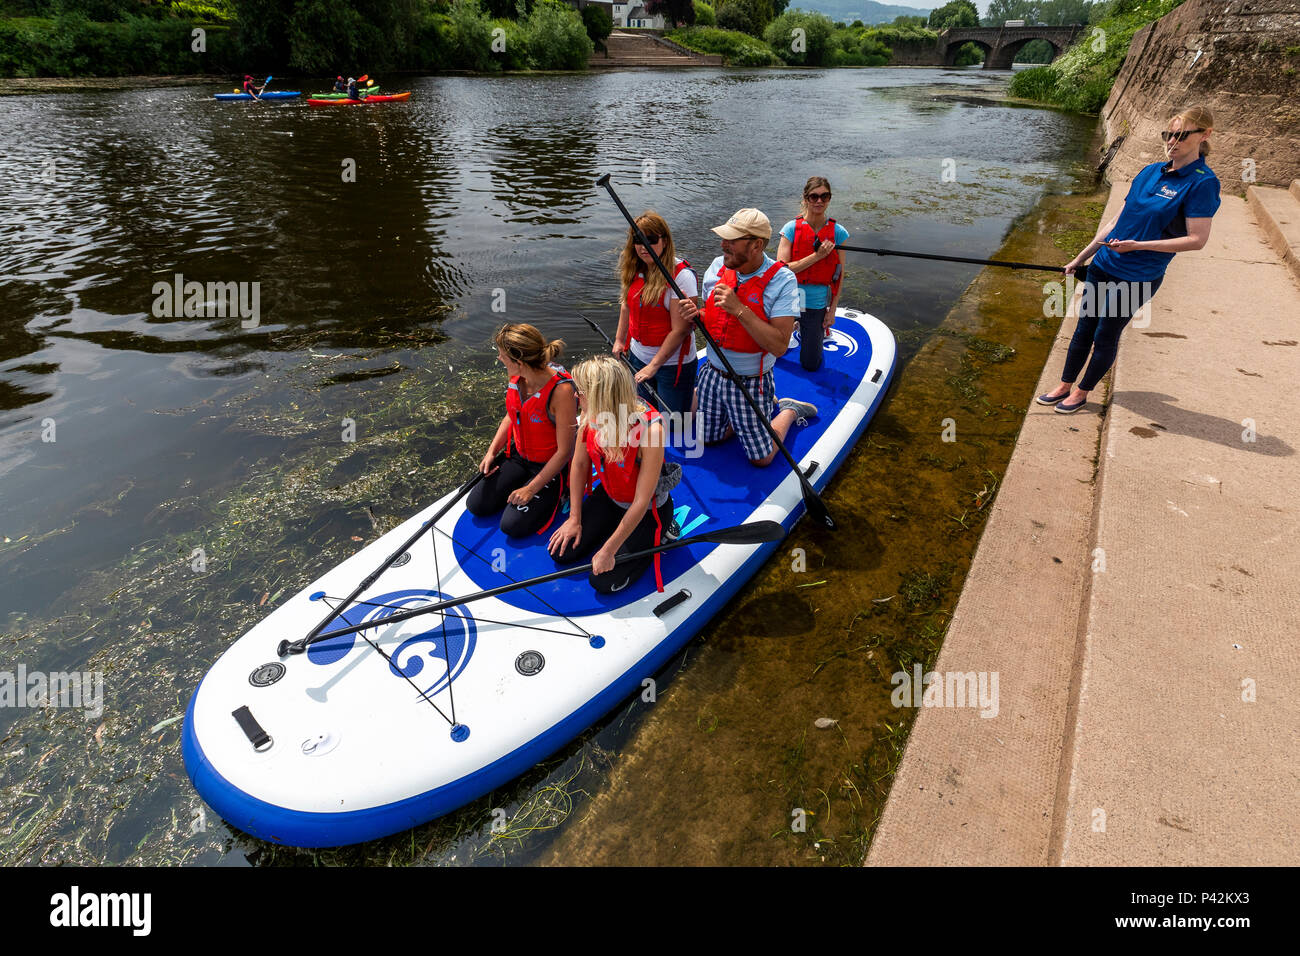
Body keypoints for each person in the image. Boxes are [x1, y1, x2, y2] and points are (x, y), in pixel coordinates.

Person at [1038, 106, 1221, 414]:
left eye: (1181, 135)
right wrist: (1081, 257)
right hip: (1103, 266)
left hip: (1138, 275)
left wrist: (1138, 246)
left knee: (1105, 333)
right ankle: (1064, 384)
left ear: (1205, 135)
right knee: (1084, 328)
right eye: (1168, 134)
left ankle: (1082, 392)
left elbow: (1197, 240)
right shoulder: (1149, 172)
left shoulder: (1203, 182)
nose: (1172, 142)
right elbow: (1116, 221)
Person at [679, 208, 818, 467]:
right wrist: (695, 314)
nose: (723, 245)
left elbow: (778, 345)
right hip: (712, 371)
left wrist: (739, 309)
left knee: (761, 459)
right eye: (724, 238)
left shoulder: (783, 281)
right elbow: (713, 318)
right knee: (707, 438)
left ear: (756, 245)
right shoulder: (718, 266)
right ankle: (752, 413)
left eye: (732, 240)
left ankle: (789, 410)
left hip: (751, 380)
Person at [548, 355, 679, 594]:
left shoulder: (651, 431)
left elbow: (641, 501)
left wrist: (608, 550)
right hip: (611, 497)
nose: (576, 396)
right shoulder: (591, 415)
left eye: (581, 391)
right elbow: (578, 466)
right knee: (563, 552)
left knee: (603, 581)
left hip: (647, 509)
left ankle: (662, 532)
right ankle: (615, 531)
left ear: (600, 395)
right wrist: (574, 518)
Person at [467, 323, 577, 537]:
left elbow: (565, 451)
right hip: (520, 456)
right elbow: (512, 414)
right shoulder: (517, 376)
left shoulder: (561, 391)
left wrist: (531, 489)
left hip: (550, 464)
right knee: (477, 505)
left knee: (512, 526)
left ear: (519, 362)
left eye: (502, 356)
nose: (499, 359)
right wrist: (491, 451)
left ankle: (561, 492)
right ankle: (520, 481)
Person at [612, 211, 698, 419]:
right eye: (638, 240)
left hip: (671, 364)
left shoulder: (682, 277)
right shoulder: (634, 269)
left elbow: (680, 330)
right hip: (638, 357)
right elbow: (626, 306)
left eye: (651, 240)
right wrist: (619, 340)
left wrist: (654, 366)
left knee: (674, 423)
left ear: (665, 241)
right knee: (645, 415)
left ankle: (692, 396)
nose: (644, 246)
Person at [776, 177, 850, 371]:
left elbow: (839, 274)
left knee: (810, 364)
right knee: (775, 351)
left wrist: (832, 310)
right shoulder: (791, 229)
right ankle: (794, 326)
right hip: (787, 298)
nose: (819, 201)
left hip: (815, 303)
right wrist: (818, 256)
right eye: (814, 196)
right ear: (806, 198)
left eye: (824, 196)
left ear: (829, 199)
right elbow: (782, 270)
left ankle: (814, 330)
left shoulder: (839, 233)